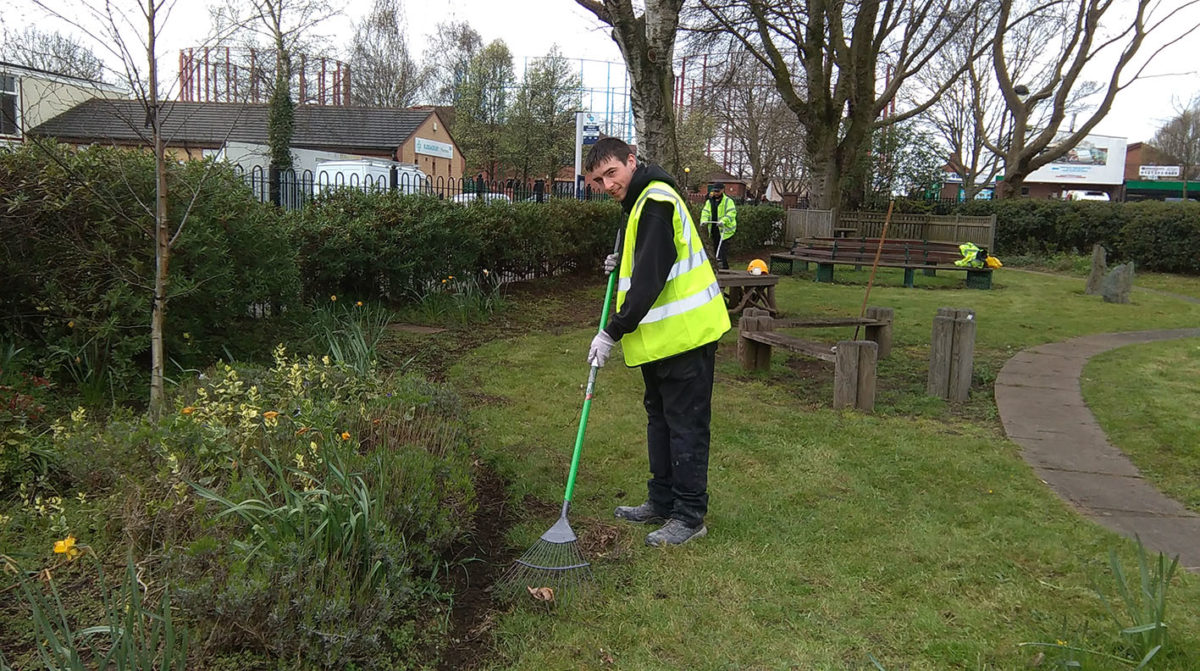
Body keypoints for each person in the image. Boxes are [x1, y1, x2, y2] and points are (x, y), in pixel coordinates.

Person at [583, 137, 731, 547]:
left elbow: (650, 279)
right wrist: (622, 262)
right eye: (598, 180)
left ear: (631, 161)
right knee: (661, 421)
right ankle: (662, 501)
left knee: (685, 426)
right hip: (664, 341)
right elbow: (648, 261)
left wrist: (612, 331)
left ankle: (689, 516)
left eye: (612, 173)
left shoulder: (655, 201)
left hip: (687, 337)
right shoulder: (639, 202)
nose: (608, 185)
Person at [703, 182, 738, 270]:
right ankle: (718, 267)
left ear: (722, 190)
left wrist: (723, 221)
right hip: (714, 229)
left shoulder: (728, 201)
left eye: (718, 191)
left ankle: (724, 268)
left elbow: (731, 213)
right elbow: (705, 212)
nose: (716, 193)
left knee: (722, 250)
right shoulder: (709, 201)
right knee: (715, 249)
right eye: (714, 191)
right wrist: (703, 220)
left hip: (725, 230)